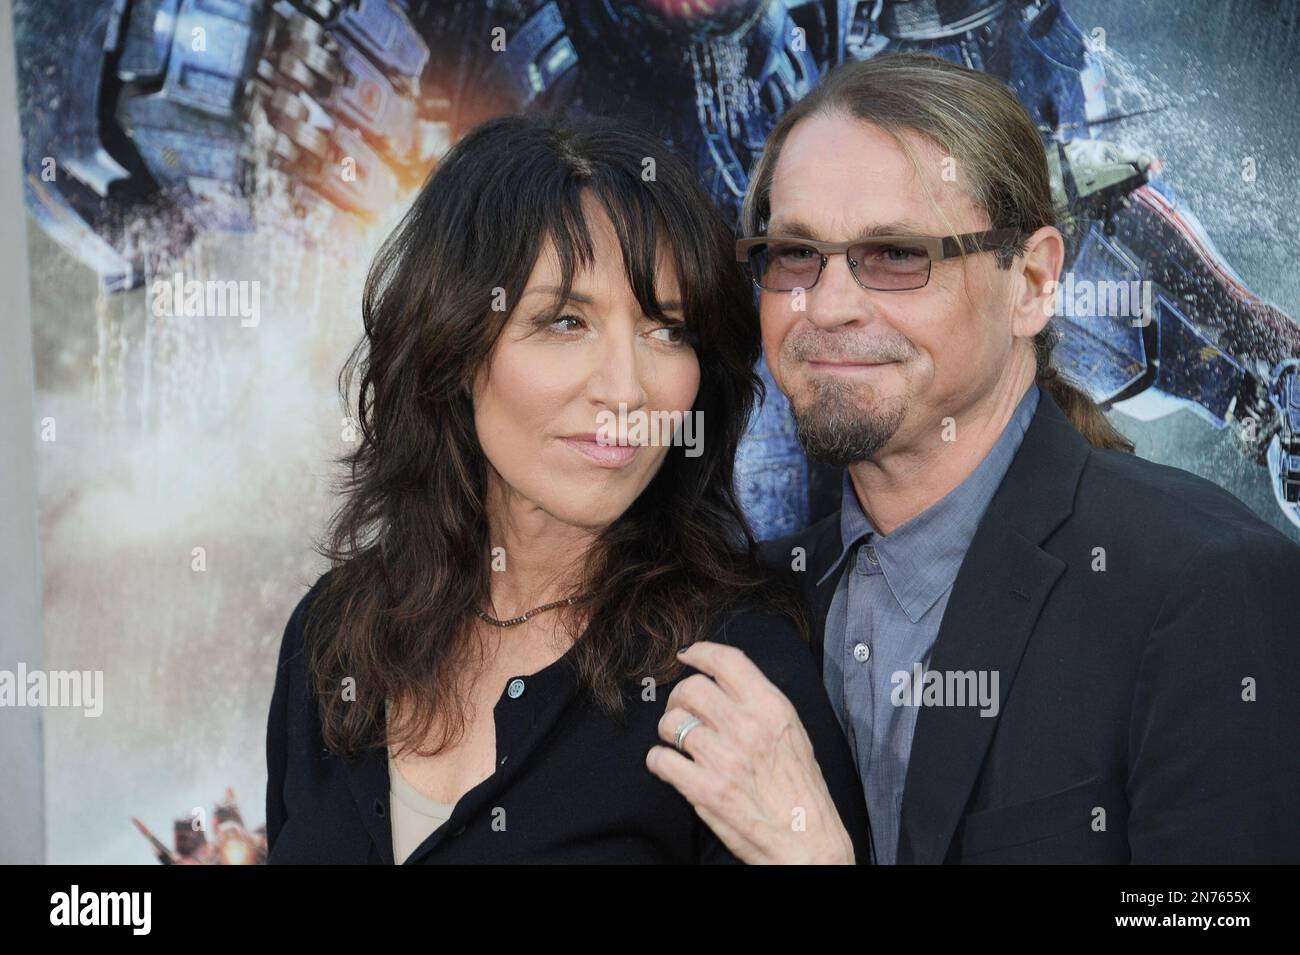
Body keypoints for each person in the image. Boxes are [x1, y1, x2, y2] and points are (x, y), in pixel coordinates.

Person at [647, 52, 1300, 863]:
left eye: (896, 253)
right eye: (794, 254)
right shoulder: (736, 610)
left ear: (1031, 280)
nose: (829, 304)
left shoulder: (1207, 587)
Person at [264, 113, 870, 864]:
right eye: (564, 321)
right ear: (454, 348)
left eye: (666, 330)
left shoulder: (732, 670)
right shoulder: (332, 634)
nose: (625, 388)